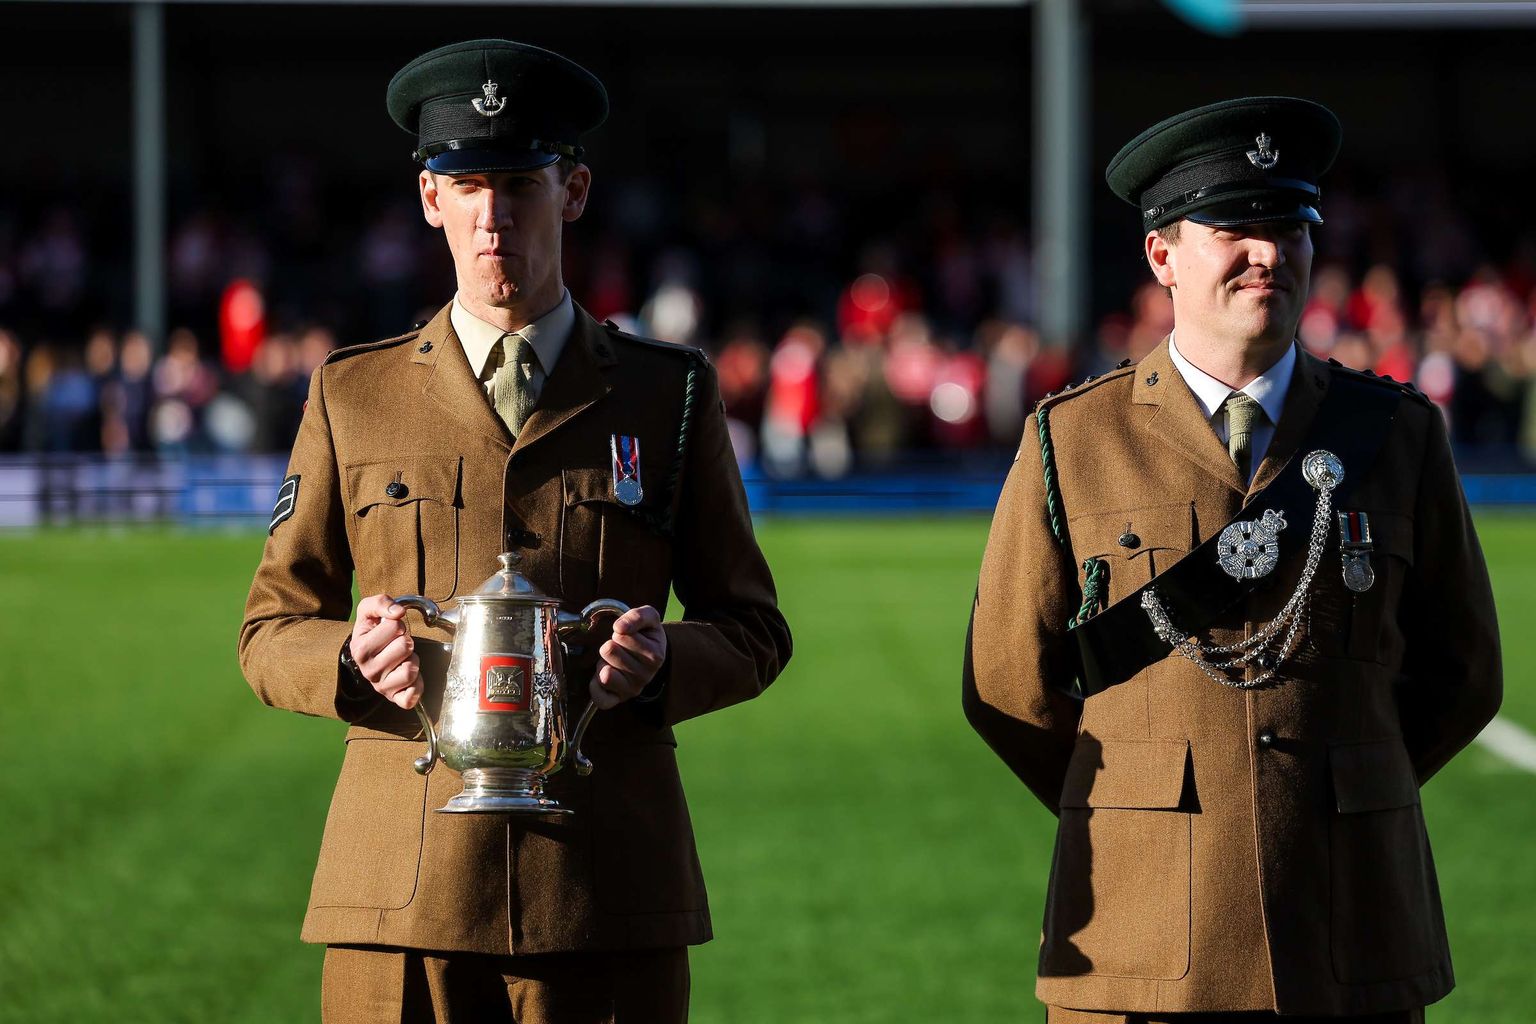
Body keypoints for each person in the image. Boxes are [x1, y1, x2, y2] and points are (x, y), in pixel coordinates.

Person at [239, 38, 791, 1023]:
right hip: (400, 898)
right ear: (430, 199)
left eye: (521, 185)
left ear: (572, 192)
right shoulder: (352, 394)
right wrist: (350, 662)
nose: (493, 215)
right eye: (468, 184)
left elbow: (754, 627)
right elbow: (269, 628)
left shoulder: (669, 394)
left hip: (605, 895)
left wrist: (663, 663)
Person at [962, 97, 1501, 1023]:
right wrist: (1138, 807)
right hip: (1140, 948)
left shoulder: (1399, 434)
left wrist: (1343, 781)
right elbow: (1008, 685)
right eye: (1235, 229)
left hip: (1352, 934)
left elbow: (1464, 674)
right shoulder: (1073, 439)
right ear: (1162, 255)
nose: (1270, 253)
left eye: (1291, 226)